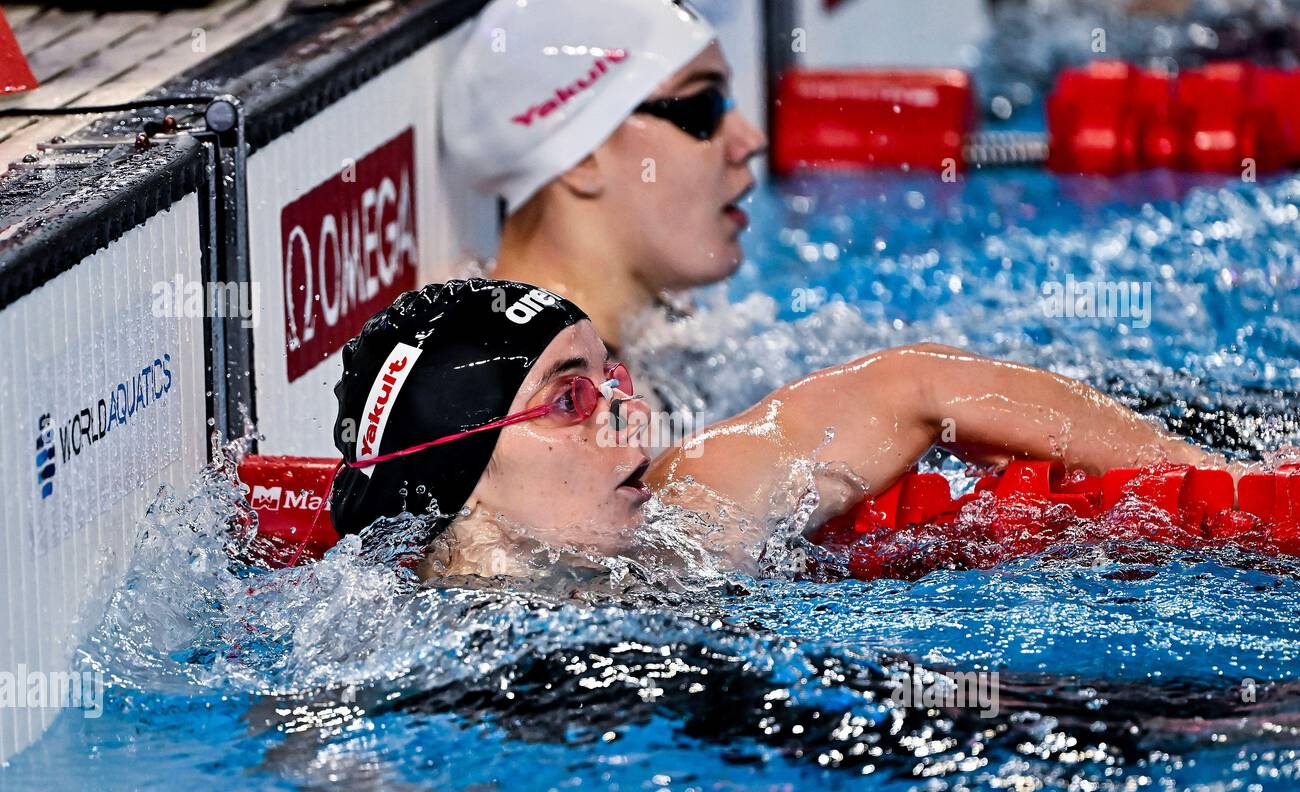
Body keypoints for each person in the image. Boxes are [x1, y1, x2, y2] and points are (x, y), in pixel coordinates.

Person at [330, 279, 1248, 578]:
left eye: (613, 377)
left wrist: (1213, 479)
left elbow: (911, 383)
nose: (631, 411)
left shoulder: (685, 524)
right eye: (571, 399)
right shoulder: (409, 666)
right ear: (461, 472)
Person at [441, 0, 766, 359]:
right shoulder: (532, 404)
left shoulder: (660, 344)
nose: (750, 141)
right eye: (701, 107)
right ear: (581, 160)